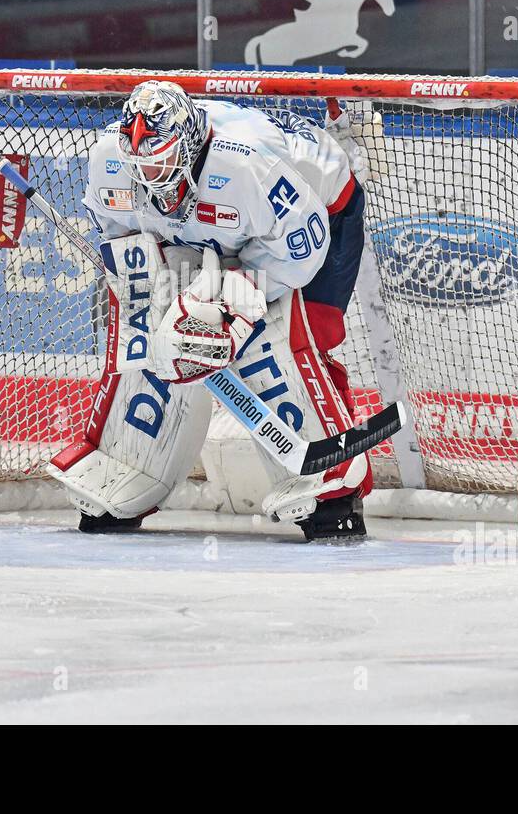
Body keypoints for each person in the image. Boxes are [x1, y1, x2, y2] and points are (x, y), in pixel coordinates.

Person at [49, 80, 372, 541]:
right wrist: (167, 313)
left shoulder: (243, 166)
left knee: (281, 334)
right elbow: (127, 241)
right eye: (140, 159)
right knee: (154, 323)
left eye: (160, 157)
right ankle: (132, 461)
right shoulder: (111, 161)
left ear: (187, 147)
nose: (149, 171)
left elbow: (300, 252)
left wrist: (232, 316)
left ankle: (332, 489)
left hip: (315, 217)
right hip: (208, 232)